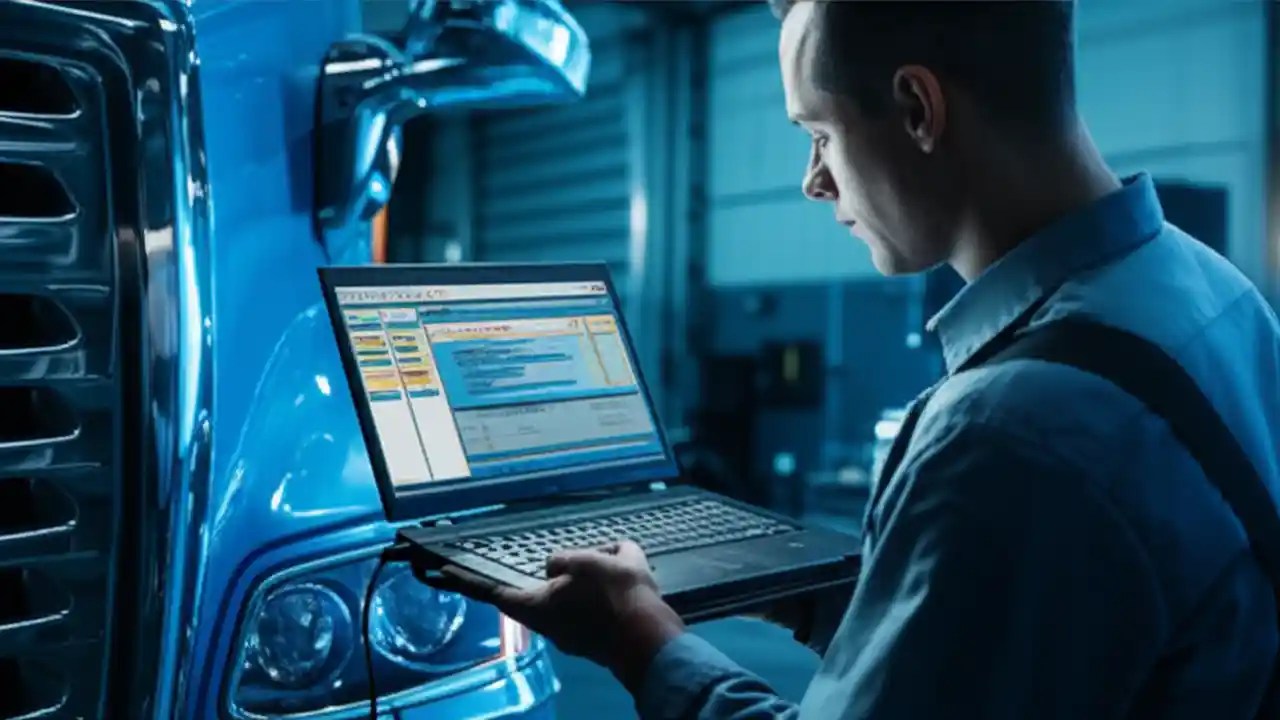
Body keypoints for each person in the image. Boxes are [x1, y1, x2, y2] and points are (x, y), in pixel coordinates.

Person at [429, 1, 1280, 717]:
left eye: (819, 133)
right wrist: (813, 591)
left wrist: (637, 638)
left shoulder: (1006, 432)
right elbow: (1047, 637)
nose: (814, 181)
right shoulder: (1212, 292)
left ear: (917, 108)